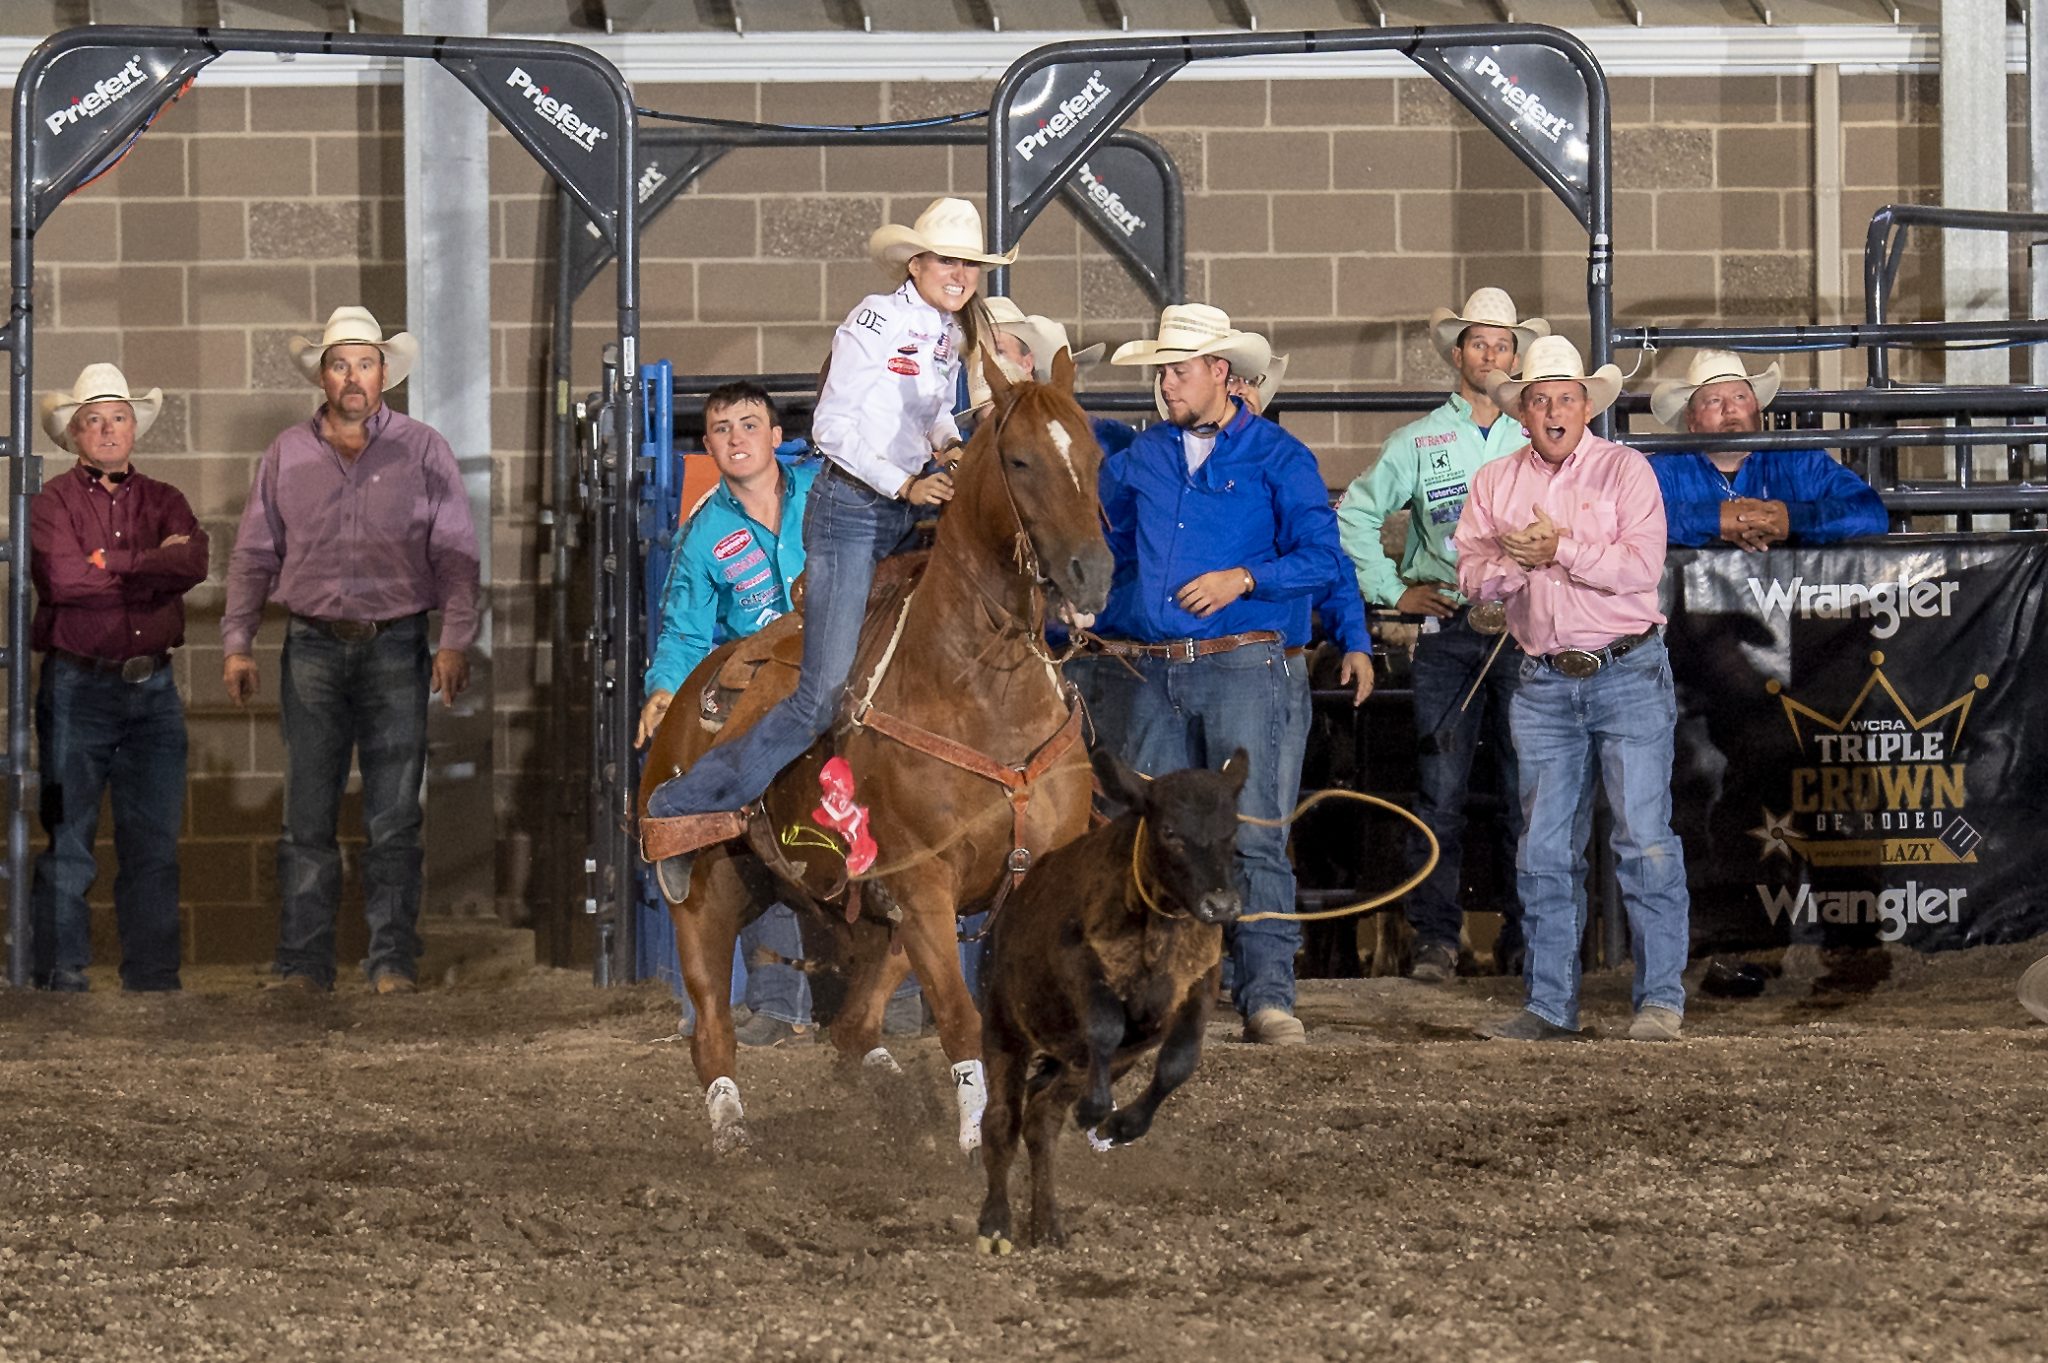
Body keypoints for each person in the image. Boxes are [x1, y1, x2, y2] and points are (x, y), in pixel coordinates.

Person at [642, 197, 1013, 892]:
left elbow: (931, 410)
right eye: (948, 261)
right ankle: (685, 801)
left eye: (968, 263)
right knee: (823, 692)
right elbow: (834, 429)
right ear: (918, 263)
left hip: (902, 503)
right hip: (853, 511)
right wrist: (907, 484)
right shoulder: (874, 321)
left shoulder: (943, 335)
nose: (959, 274)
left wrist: (951, 447)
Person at [1088, 304, 1348, 1046]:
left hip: (1243, 662)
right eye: (1162, 371)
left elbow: (1323, 559)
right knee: (1152, 837)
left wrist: (1243, 577)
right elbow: (1101, 540)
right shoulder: (1140, 458)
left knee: (1257, 830)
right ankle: (1160, 990)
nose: (1165, 383)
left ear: (1220, 375)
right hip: (1154, 669)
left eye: (1177, 370)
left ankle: (1267, 991)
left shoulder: (1278, 456)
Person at [222, 306, 481, 994]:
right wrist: (236, 641)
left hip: (398, 642)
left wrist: (454, 639)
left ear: (384, 372)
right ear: (325, 376)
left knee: (394, 813)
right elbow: (253, 552)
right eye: (341, 364)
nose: (354, 376)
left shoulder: (424, 449)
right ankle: (304, 960)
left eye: (366, 363)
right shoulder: (286, 453)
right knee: (307, 810)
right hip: (311, 641)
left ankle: (392, 956)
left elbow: (456, 553)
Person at [1454, 335, 1689, 1042]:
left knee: (1642, 838)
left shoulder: (1626, 471)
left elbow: (1640, 568)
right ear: (1522, 411)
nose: (1553, 409)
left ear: (1586, 405)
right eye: (1539, 398)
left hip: (1625, 670)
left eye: (1564, 396)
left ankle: (1658, 999)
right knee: (1546, 849)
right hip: (1545, 677)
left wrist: (1557, 550)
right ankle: (1553, 1004)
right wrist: (1513, 566)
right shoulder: (1495, 482)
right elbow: (1469, 573)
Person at [1336, 288, 1548, 983]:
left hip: (1527, 629)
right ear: (1458, 353)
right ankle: (1436, 935)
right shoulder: (1421, 440)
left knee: (1529, 790)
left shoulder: (1536, 432)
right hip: (1451, 625)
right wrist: (1393, 590)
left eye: (1502, 344)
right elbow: (1355, 517)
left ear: (1514, 356)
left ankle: (1525, 933)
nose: (1491, 354)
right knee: (1441, 789)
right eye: (1480, 343)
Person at [634, 382, 820, 1048]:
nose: (737, 437)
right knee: (755, 811)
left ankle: (896, 991)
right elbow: (685, 628)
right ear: (708, 446)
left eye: (749, 424)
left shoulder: (822, 491)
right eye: (721, 429)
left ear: (776, 435)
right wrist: (664, 689)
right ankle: (769, 997)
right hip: (766, 683)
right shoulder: (704, 529)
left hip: (840, 665)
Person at [27, 364, 209, 992]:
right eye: (94, 420)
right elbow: (62, 581)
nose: (108, 430)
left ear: (135, 428)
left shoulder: (164, 497)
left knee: (153, 845)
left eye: (119, 417)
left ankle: (153, 981)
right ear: (75, 435)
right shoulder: (52, 502)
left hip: (152, 688)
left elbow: (195, 561)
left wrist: (121, 562)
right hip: (80, 685)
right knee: (69, 840)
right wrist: (152, 569)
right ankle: (60, 975)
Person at [1649, 349, 1888, 550]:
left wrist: (1791, 518)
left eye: (1740, 397)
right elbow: (1627, 521)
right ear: (1691, 419)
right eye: (1713, 401)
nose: (1729, 409)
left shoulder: (1799, 459)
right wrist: (1716, 518)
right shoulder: (1663, 469)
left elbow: (1871, 513)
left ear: (1757, 408)